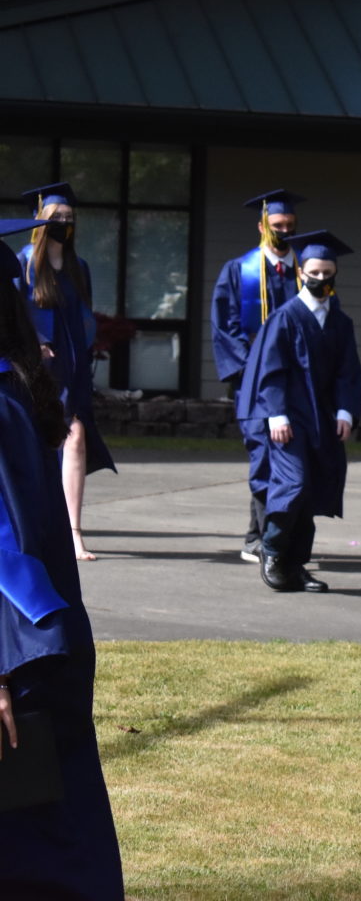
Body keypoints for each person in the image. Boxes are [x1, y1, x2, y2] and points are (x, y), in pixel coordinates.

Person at [0, 218, 124, 899]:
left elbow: (4, 552)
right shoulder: (20, 390)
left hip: (19, 661)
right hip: (46, 652)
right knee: (61, 843)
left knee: (32, 855)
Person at [237, 231, 361, 593]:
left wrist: (345, 411)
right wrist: (275, 414)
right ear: (300, 273)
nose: (321, 279)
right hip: (288, 419)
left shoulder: (340, 322)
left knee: (311, 490)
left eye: (327, 272)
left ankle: (296, 564)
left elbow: (348, 372)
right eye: (314, 272)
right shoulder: (285, 317)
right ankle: (273, 552)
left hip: (321, 418)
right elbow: (270, 369)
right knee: (292, 485)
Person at [12, 183, 115, 562]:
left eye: (69, 218)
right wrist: (31, 344)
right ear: (40, 221)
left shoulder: (78, 267)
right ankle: (37, 524)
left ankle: (73, 531)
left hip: (71, 368)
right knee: (40, 443)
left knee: (76, 437)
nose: (64, 223)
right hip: (36, 369)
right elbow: (12, 314)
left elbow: (83, 317)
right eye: (56, 218)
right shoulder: (23, 263)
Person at [209, 189, 303, 563]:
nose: (284, 231)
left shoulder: (305, 271)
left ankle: (262, 535)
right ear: (262, 226)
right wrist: (255, 370)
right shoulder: (240, 270)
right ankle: (264, 539)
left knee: (289, 456)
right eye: (278, 225)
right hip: (254, 382)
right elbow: (225, 326)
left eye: (290, 226)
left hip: (297, 382)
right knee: (263, 454)